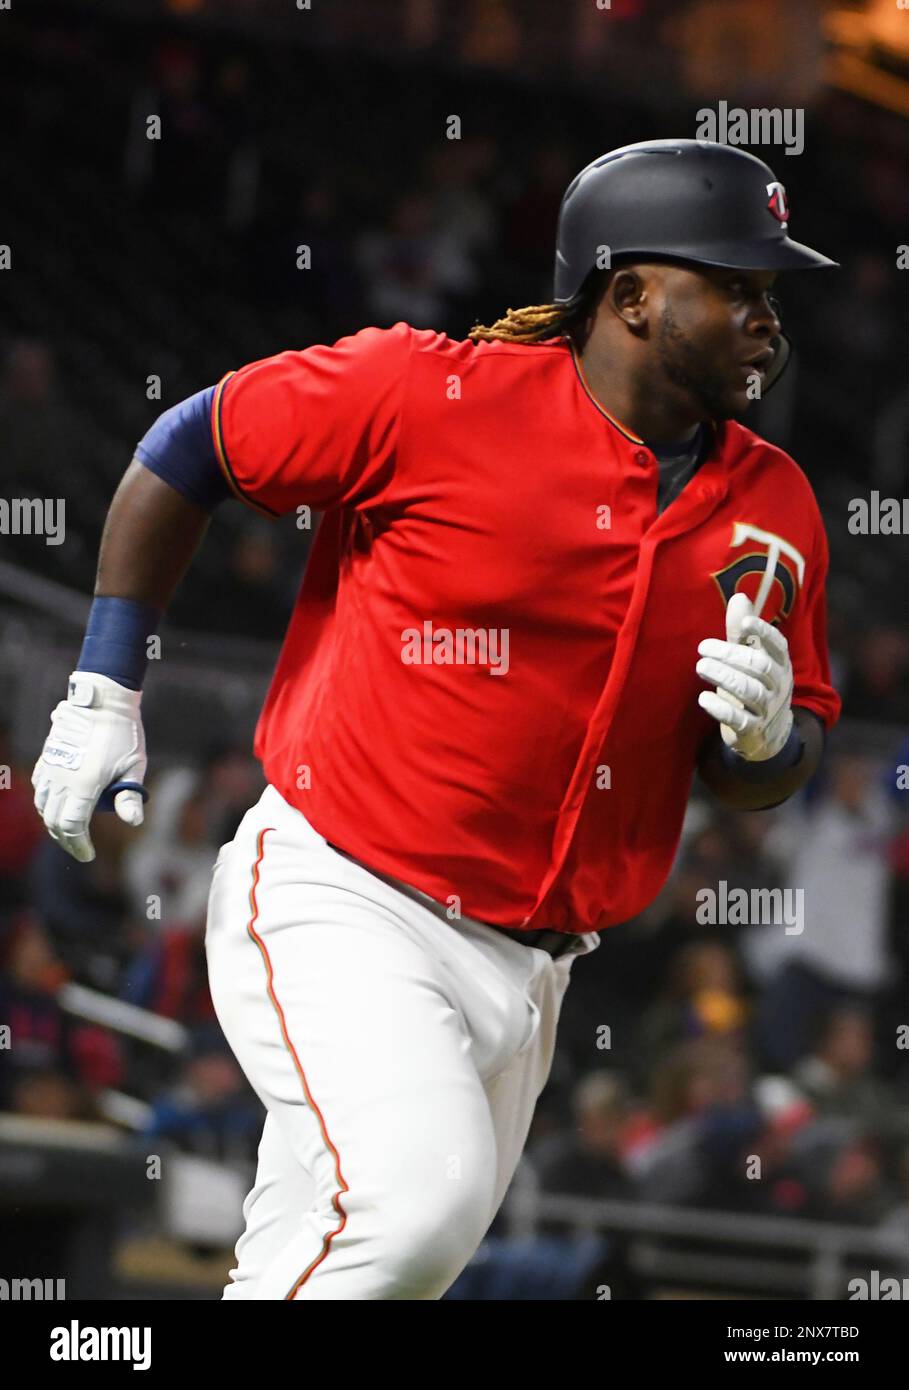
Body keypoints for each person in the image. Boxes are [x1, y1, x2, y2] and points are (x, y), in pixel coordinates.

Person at [32, 139, 841, 1299]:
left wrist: (765, 746)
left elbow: (774, 757)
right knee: (419, 1207)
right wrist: (105, 684)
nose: (769, 319)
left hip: (538, 968)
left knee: (363, 1266)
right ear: (631, 295)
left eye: (771, 295)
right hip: (345, 895)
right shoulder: (431, 392)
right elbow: (189, 445)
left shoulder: (777, 502)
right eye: (739, 287)